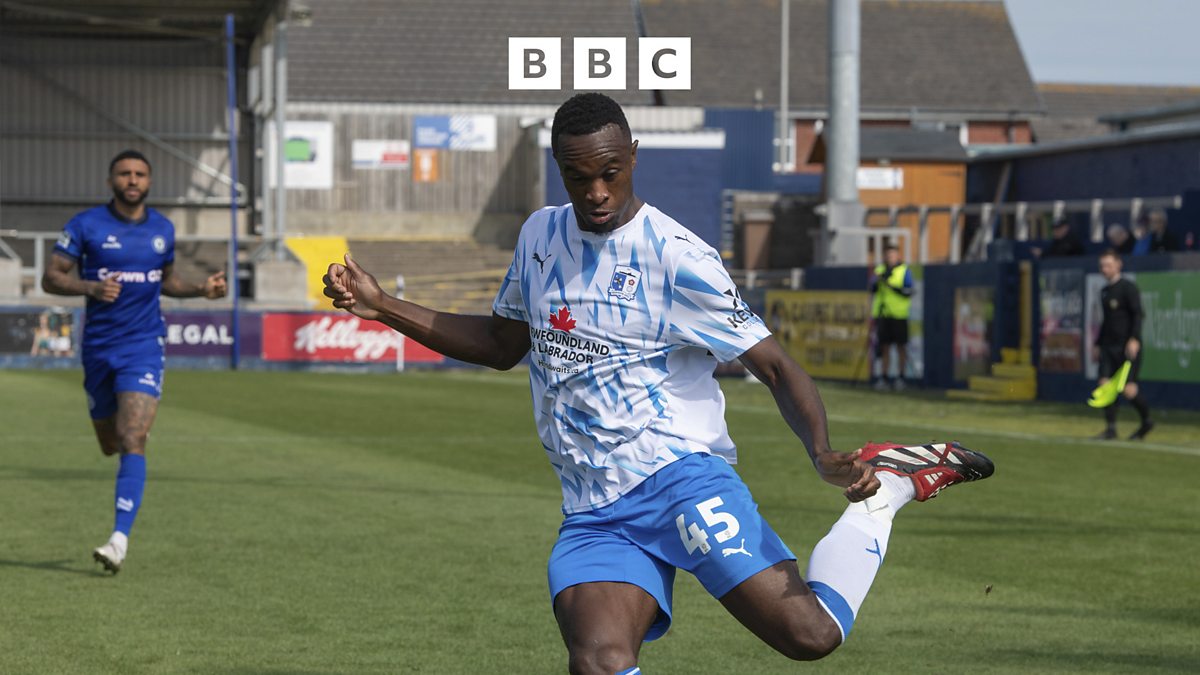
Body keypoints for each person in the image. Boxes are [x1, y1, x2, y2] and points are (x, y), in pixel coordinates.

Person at [323, 93, 994, 673]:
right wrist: (383, 306)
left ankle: (889, 493)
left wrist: (820, 451)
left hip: (680, 478)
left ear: (634, 156)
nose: (596, 192)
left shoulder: (678, 258)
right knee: (598, 658)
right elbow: (503, 346)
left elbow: (777, 365)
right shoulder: (538, 237)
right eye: (579, 176)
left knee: (809, 636)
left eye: (610, 172)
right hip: (593, 507)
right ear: (559, 168)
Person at [41, 149, 227, 573]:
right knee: (110, 443)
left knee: (133, 437)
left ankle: (118, 539)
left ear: (149, 181)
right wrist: (90, 287)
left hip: (144, 344)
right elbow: (51, 276)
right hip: (98, 348)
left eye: (140, 174)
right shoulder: (85, 225)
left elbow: (168, 281)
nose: (132, 179)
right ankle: (120, 515)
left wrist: (201, 289)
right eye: (124, 173)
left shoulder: (162, 229)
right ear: (111, 181)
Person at [1093, 249, 1152, 440]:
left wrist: (1134, 339)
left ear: (1119, 265)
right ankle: (1111, 428)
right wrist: (1097, 343)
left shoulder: (1128, 288)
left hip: (1127, 347)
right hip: (1108, 346)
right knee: (1105, 385)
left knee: (1129, 390)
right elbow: (1107, 321)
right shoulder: (1104, 291)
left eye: (1108, 265)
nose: (1104, 269)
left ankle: (1146, 422)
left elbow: (1137, 315)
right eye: (1102, 265)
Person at [868, 244, 914, 390]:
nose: (890, 258)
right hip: (883, 314)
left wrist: (891, 286)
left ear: (897, 256)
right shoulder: (880, 270)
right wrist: (878, 280)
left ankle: (901, 378)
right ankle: (884, 377)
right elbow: (872, 288)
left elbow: (909, 291)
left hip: (899, 315)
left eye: (892, 255)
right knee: (884, 347)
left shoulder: (904, 270)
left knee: (901, 347)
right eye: (887, 255)